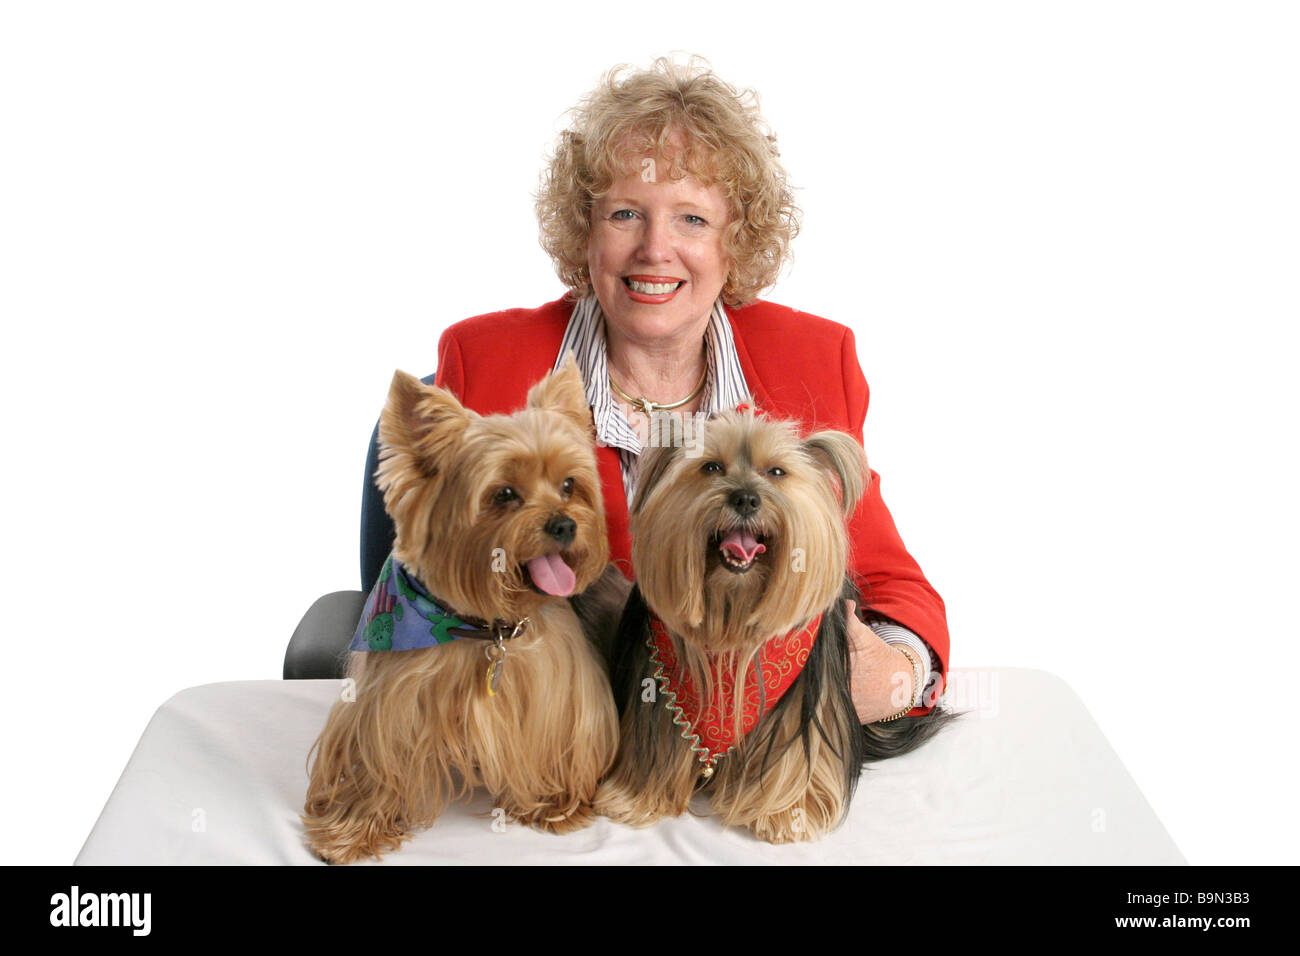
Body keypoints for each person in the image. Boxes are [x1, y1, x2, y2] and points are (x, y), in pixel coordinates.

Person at [361, 57, 948, 723]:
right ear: (584, 231)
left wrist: (899, 670)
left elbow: (889, 580)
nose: (655, 249)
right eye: (625, 214)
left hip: (747, 743)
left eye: (692, 220)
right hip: (558, 743)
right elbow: (427, 593)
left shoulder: (812, 360)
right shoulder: (487, 360)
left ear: (738, 241)